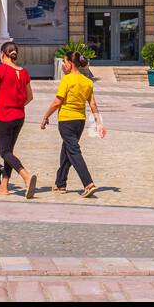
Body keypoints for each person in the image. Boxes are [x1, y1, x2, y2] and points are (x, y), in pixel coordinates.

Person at [40, 51, 102, 198]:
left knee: (73, 151)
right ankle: (60, 183)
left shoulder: (67, 80)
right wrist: (98, 120)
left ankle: (88, 183)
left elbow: (57, 101)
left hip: (66, 120)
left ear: (71, 63)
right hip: (79, 121)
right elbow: (92, 103)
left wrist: (45, 116)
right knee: (67, 150)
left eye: (64, 61)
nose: (63, 65)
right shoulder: (87, 81)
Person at [0, 40, 36, 198]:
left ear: (2, 54)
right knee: (9, 152)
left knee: (5, 152)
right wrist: (18, 104)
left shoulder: (0, 69)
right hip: (19, 116)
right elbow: (30, 97)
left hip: (4, 115)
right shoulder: (24, 72)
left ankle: (26, 176)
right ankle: (4, 187)